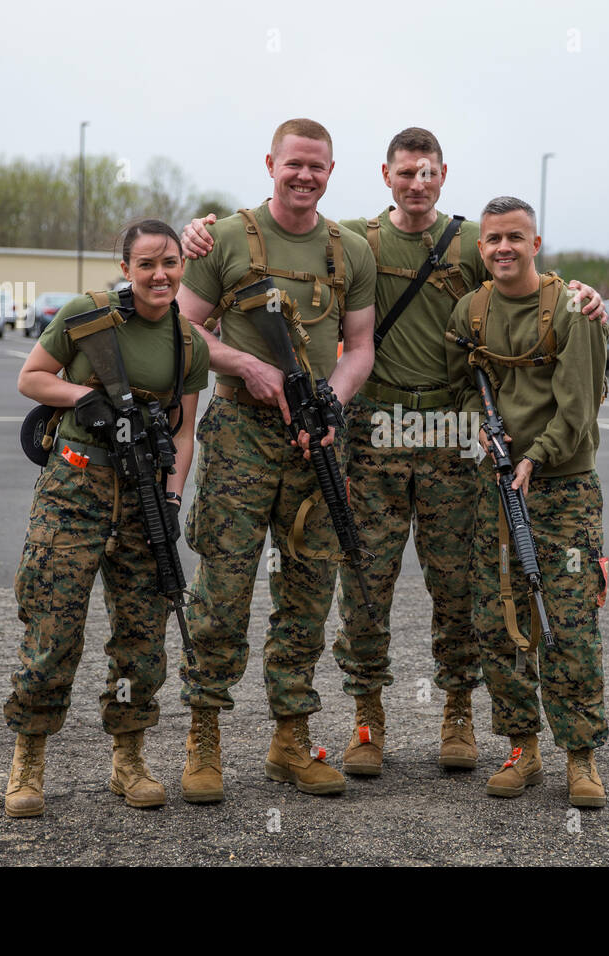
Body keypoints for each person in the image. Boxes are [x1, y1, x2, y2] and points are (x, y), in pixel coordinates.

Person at [180, 128, 604, 780]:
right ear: (385, 175)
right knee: (363, 582)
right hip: (374, 430)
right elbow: (249, 258)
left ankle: (457, 710)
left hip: (451, 433)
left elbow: (528, 272)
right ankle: (366, 717)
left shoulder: (471, 239)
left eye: (427, 172)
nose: (416, 182)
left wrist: (588, 299)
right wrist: (194, 236)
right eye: (405, 172)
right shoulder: (357, 240)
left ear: (442, 174)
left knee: (459, 584)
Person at [173, 118, 377, 799]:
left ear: (331, 171)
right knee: (223, 587)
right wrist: (248, 368)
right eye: (294, 163)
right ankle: (205, 738)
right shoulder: (224, 238)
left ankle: (290, 740)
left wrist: (334, 402)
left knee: (310, 588)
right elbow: (182, 325)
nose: (305, 176)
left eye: (317, 166)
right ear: (271, 163)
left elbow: (362, 345)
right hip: (241, 433)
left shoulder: (348, 249)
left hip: (316, 439)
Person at [3, 219, 211, 817]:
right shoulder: (85, 316)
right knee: (54, 628)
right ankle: (28, 761)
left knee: (142, 639)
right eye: (146, 264)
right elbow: (30, 378)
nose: (160, 274)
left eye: (170, 262)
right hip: (74, 490)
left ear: (182, 266)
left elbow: (183, 431)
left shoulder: (189, 343)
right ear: (126, 269)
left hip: (144, 495)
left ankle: (129, 759)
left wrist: (172, 502)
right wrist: (79, 397)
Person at [446, 196, 609, 808]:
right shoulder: (471, 310)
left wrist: (533, 457)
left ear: (535, 243)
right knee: (500, 619)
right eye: (493, 240)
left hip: (562, 485)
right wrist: (482, 431)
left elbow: (579, 406)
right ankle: (523, 748)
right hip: (496, 483)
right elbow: (460, 385)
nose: (504, 248)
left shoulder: (571, 307)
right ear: (481, 248)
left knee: (569, 621)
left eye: (516, 236)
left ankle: (581, 755)